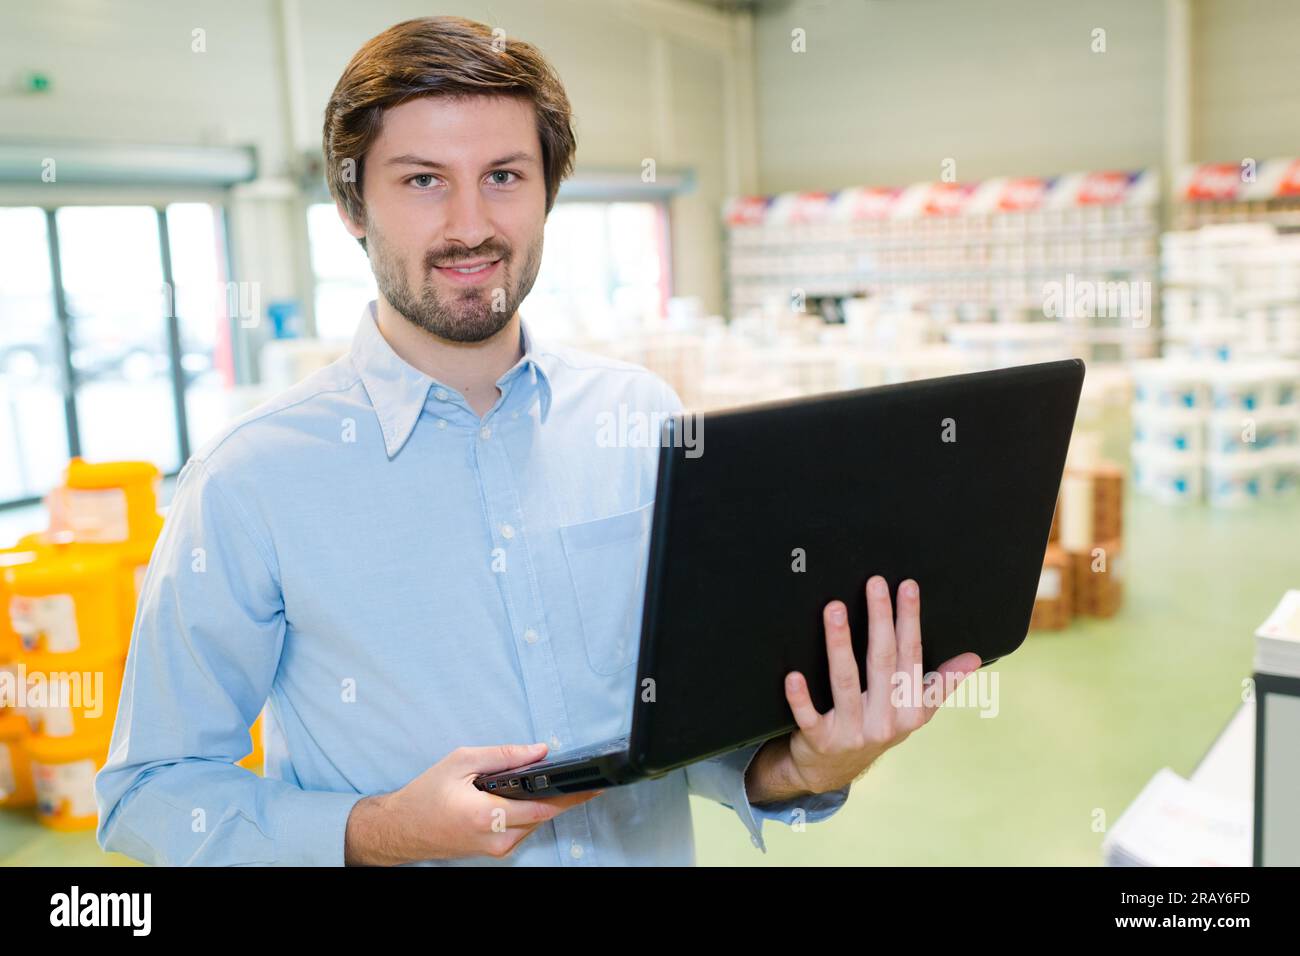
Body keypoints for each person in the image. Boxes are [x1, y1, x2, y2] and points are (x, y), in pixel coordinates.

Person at [95, 15, 979, 866]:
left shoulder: (641, 421)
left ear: (549, 190)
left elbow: (690, 727)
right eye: (422, 179)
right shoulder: (252, 480)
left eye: (505, 175)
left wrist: (809, 766)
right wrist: (384, 829)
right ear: (351, 204)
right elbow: (152, 792)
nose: (471, 224)